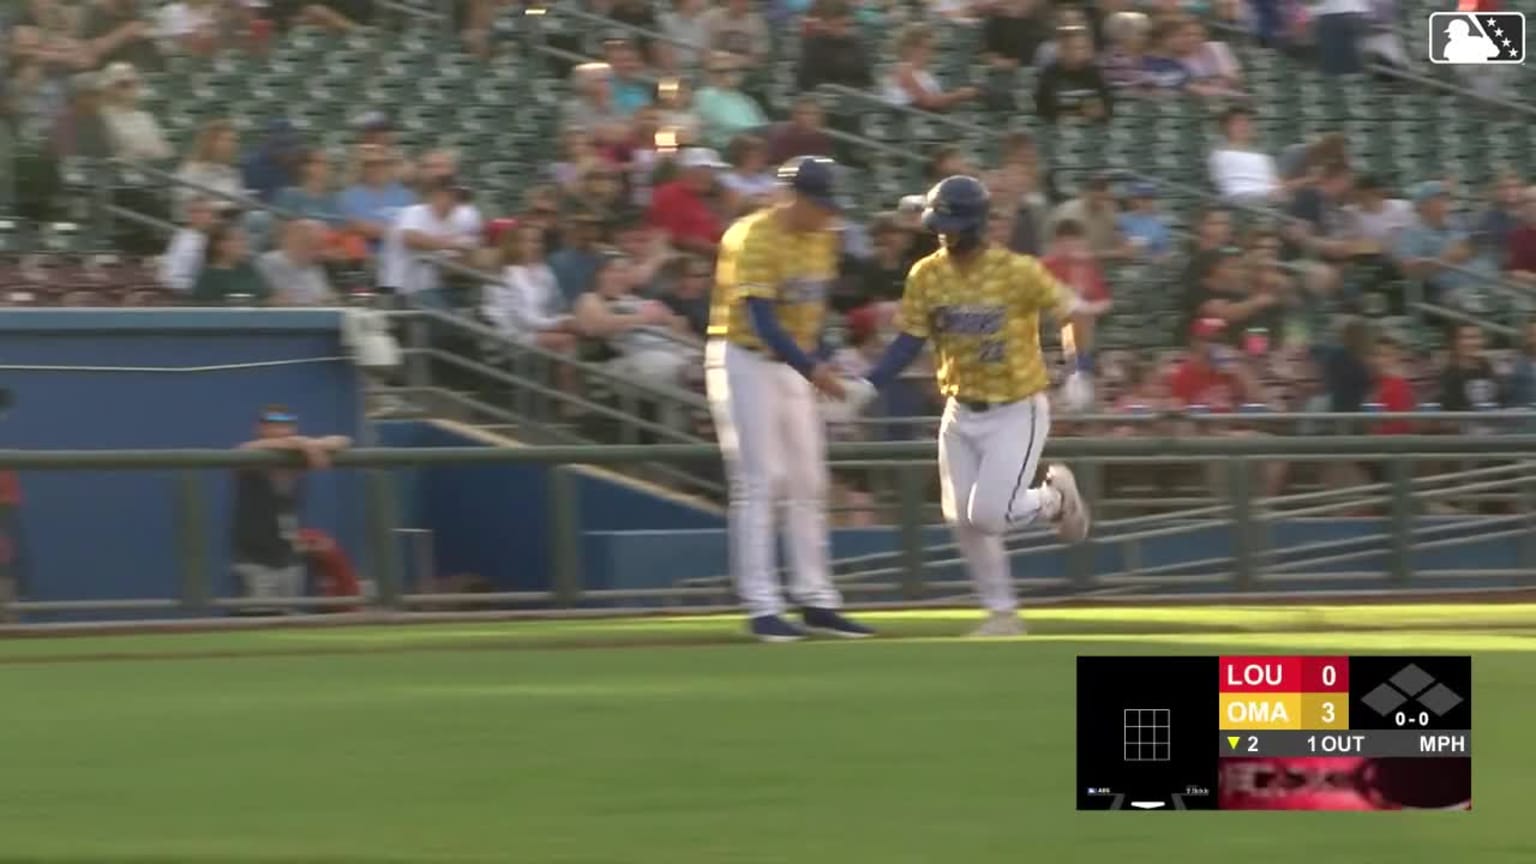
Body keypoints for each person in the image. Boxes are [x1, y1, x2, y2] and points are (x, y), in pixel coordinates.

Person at [858, 175, 1101, 636]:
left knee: (989, 513)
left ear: (976, 224)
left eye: (952, 225)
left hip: (1016, 406)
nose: (945, 234)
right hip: (959, 407)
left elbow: (1074, 313)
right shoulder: (927, 273)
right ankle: (1002, 614)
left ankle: (1053, 499)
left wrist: (1080, 368)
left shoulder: (1017, 270)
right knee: (961, 519)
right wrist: (869, 384)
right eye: (940, 225)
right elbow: (908, 340)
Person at [705, 156, 873, 642]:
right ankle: (762, 605)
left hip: (792, 361)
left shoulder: (823, 237)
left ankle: (816, 599)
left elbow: (807, 314)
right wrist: (815, 370)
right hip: (743, 358)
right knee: (762, 481)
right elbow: (762, 319)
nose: (827, 213)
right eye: (818, 203)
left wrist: (822, 361)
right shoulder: (751, 236)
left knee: (808, 481)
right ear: (793, 197)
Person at [232, 406, 351, 614]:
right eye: (274, 425)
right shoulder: (252, 453)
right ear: (261, 428)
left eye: (286, 425)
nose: (281, 430)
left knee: (288, 618)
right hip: (255, 558)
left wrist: (311, 445)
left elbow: (344, 441)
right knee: (257, 618)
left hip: (289, 556)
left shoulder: (298, 456)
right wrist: (303, 444)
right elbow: (243, 450)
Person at [574, 251, 697, 387]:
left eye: (624, 271)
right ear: (598, 275)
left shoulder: (639, 300)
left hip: (675, 348)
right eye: (614, 271)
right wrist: (645, 319)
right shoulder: (591, 298)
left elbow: (680, 328)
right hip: (632, 357)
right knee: (666, 363)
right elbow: (595, 325)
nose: (619, 276)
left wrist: (671, 320)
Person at [378, 175, 480, 309]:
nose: (456, 202)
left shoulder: (455, 221)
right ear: (436, 194)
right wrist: (453, 244)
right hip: (400, 289)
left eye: (460, 198)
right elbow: (410, 238)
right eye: (453, 195)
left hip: (434, 289)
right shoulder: (413, 212)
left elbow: (463, 254)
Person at [483, 224, 577, 352]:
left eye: (538, 241)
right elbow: (524, 320)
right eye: (529, 241)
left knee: (577, 332)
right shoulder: (504, 275)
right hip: (510, 333)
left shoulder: (544, 271)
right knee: (567, 341)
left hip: (535, 328)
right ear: (514, 245)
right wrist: (559, 323)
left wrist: (567, 320)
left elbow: (557, 305)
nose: (536, 246)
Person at [257, 219, 335, 306]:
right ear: (290, 239)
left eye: (317, 246)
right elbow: (255, 303)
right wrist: (271, 302)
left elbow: (327, 298)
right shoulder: (267, 263)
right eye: (307, 242)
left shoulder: (314, 268)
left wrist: (331, 300)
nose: (315, 252)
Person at [191, 222, 269, 305]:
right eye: (238, 240)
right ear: (220, 245)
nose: (244, 244)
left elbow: (264, 296)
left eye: (244, 240)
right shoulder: (209, 278)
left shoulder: (249, 269)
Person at [159, 196, 216, 293]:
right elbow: (168, 276)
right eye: (195, 212)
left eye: (205, 211)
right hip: (184, 292)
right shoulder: (181, 239)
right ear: (189, 215)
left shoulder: (217, 237)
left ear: (212, 215)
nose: (200, 216)